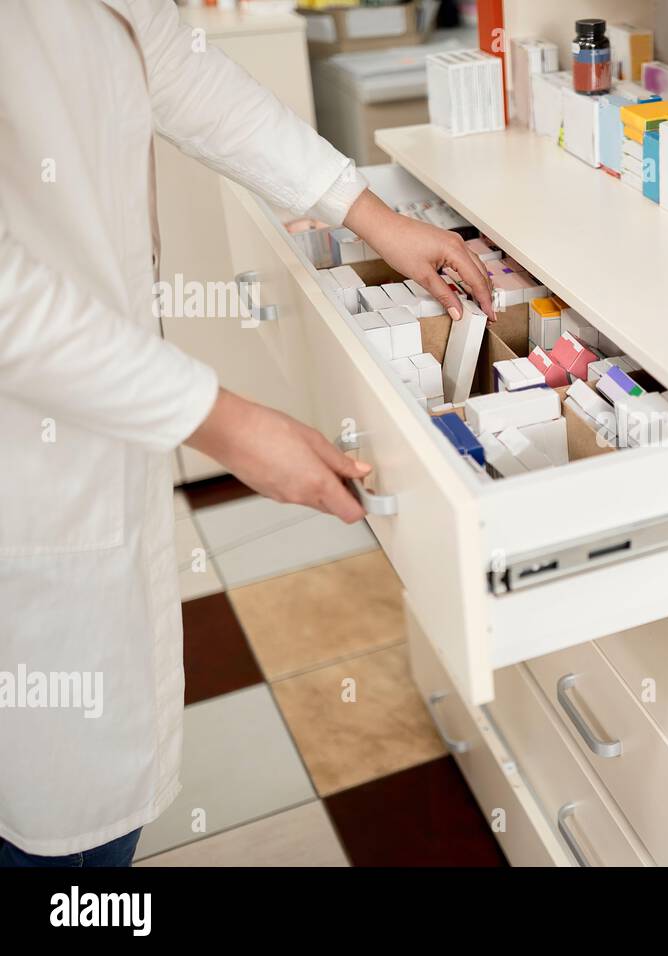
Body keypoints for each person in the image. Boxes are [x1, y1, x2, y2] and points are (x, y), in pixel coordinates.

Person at [0, 0, 495, 866]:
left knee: (93, 798)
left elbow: (179, 67)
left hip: (80, 432)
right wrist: (225, 423)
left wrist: (375, 218)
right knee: (59, 822)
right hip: (28, 452)